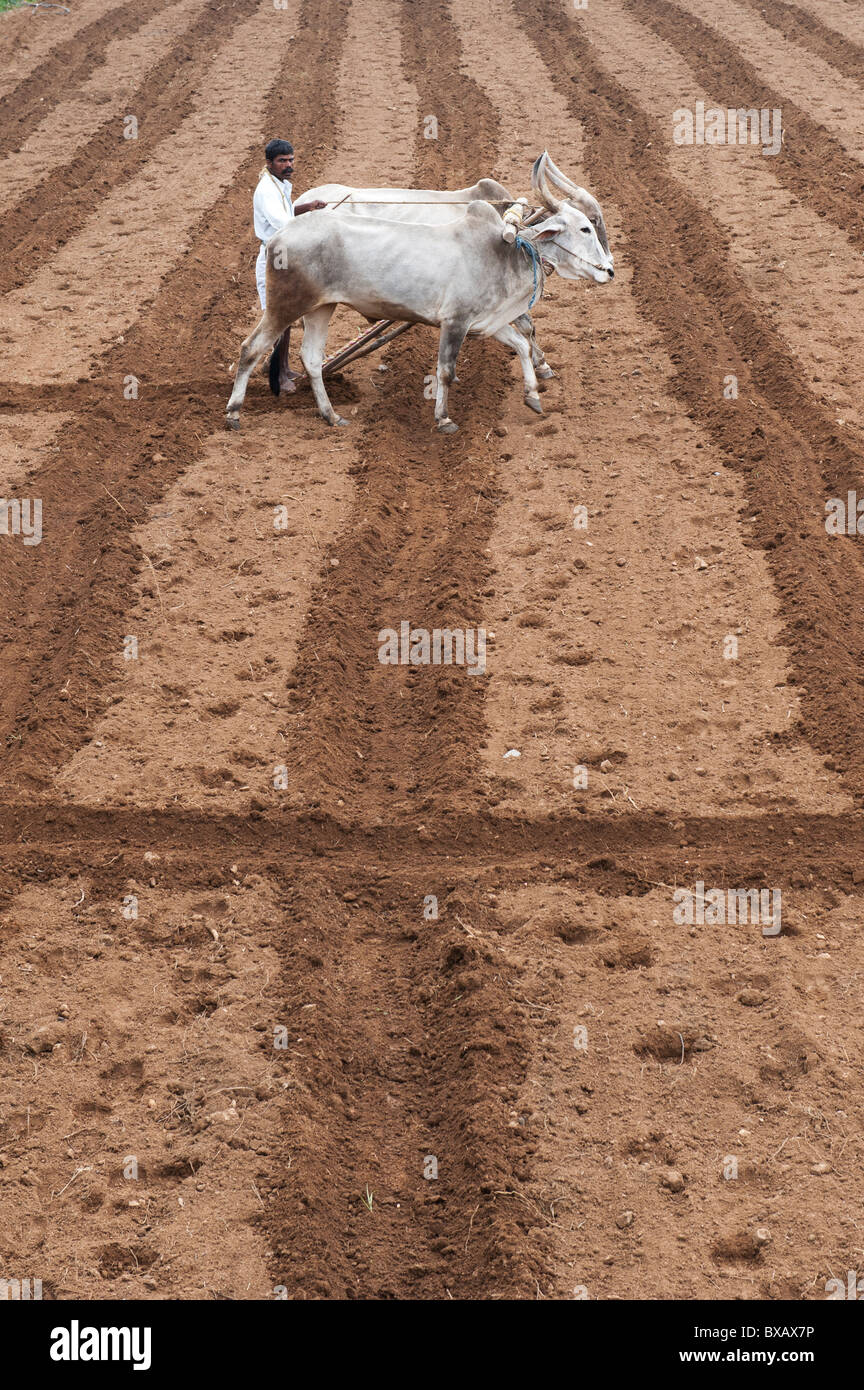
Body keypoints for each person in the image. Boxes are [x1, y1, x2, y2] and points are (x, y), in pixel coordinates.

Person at [253, 138, 326, 393]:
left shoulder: (279, 185)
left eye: (290, 159)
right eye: (282, 161)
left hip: (282, 256)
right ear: (270, 163)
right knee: (277, 320)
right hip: (273, 258)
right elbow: (281, 222)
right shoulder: (266, 189)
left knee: (287, 318)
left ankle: (283, 368)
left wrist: (308, 207)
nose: (288, 164)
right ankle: (278, 377)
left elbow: (286, 212)